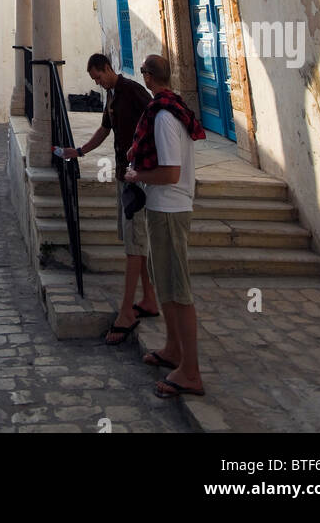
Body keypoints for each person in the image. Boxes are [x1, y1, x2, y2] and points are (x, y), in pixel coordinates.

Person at [60, 54, 160, 345]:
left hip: (137, 177)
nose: (97, 83)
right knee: (134, 242)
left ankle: (127, 312)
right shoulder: (112, 95)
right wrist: (79, 151)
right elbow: (105, 129)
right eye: (94, 80)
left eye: (98, 77)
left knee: (134, 242)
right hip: (123, 176)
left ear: (107, 68)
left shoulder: (132, 90)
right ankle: (149, 299)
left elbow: (157, 120)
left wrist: (144, 159)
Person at [124, 53, 206, 398]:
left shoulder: (163, 117)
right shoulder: (175, 107)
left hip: (170, 210)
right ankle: (173, 349)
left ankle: (190, 371)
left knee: (179, 291)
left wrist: (136, 175)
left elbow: (170, 174)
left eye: (142, 70)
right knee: (167, 286)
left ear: (147, 75)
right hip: (165, 210)